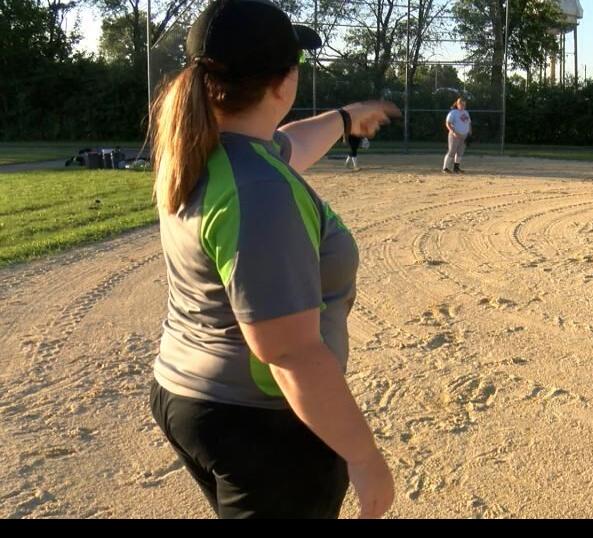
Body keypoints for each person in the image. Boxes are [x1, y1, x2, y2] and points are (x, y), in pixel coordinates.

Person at [148, 0, 399, 519]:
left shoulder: (207, 150)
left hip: (188, 392)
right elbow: (290, 353)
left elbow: (289, 145)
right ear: (284, 83)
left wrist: (347, 117)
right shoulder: (260, 190)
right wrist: (364, 455)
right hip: (260, 424)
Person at [442, 97, 471, 174]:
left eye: (464, 104)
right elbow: (447, 123)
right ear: (457, 104)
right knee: (452, 151)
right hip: (455, 135)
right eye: (461, 104)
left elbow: (468, 123)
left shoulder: (466, 112)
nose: (463, 106)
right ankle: (445, 168)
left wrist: (469, 132)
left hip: (464, 135)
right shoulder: (453, 112)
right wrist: (453, 131)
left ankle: (456, 168)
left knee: (460, 152)